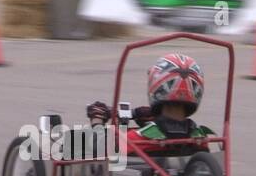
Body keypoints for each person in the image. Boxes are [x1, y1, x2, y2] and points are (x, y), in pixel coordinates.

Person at [85, 54, 213, 156]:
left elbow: (98, 147)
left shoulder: (137, 139)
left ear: (157, 86)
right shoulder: (200, 140)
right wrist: (147, 115)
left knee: (73, 144)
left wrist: (97, 119)